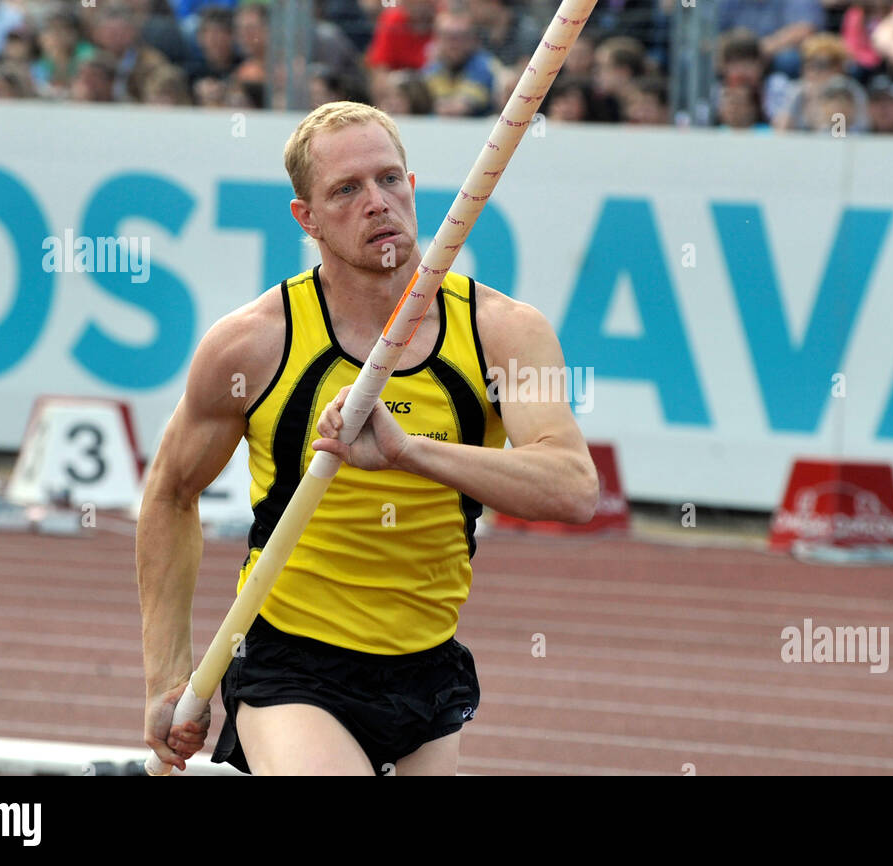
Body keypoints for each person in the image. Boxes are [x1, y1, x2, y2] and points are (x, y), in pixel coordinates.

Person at [138, 101, 599, 776]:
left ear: (414, 191)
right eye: (347, 190)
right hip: (290, 662)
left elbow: (573, 489)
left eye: (388, 180)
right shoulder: (253, 344)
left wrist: (409, 453)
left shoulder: (503, 331)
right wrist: (166, 676)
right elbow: (170, 494)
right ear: (308, 218)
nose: (376, 202)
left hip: (427, 667)